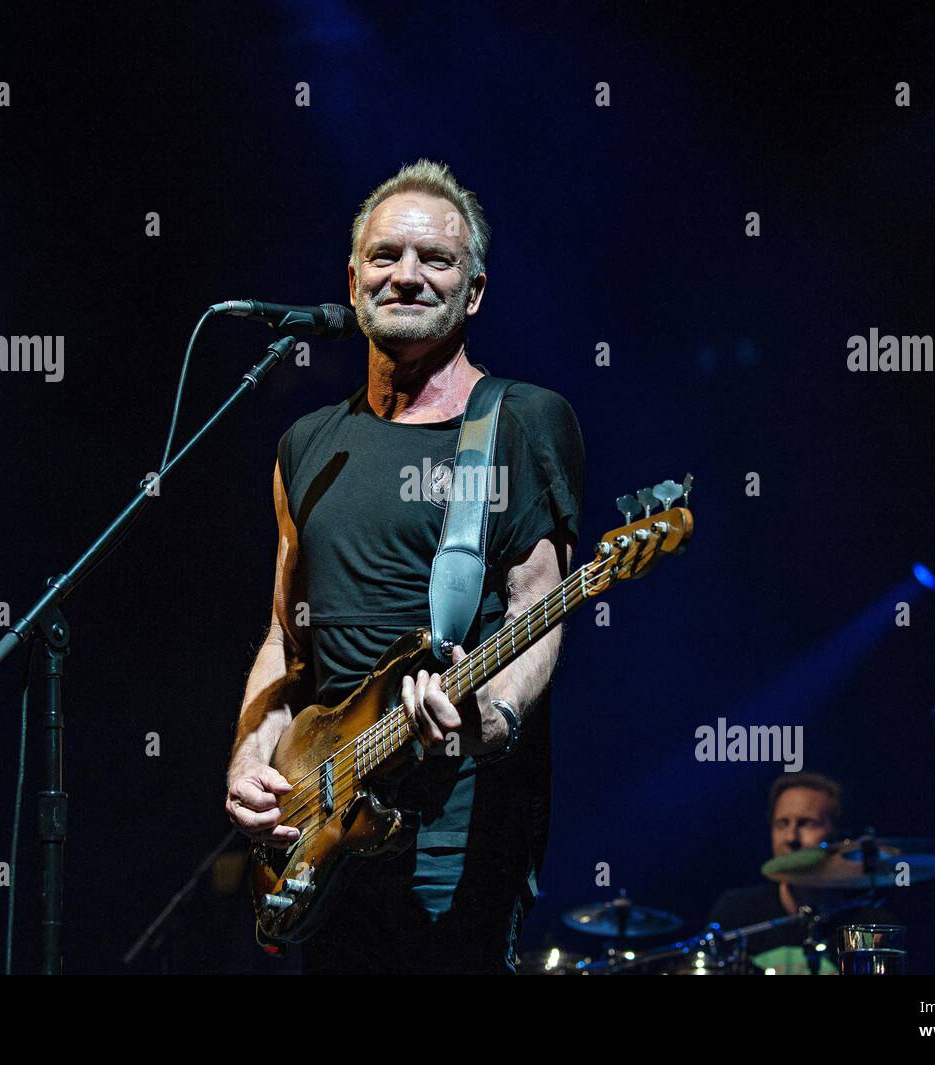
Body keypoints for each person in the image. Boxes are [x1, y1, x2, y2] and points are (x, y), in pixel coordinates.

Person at [224, 159, 585, 974]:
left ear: (476, 291)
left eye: (437, 261)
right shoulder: (306, 442)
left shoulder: (524, 422)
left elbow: (542, 611)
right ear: (352, 282)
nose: (408, 276)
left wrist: (490, 719)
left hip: (457, 828)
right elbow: (285, 638)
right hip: (321, 820)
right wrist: (250, 753)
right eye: (386, 257)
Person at [706, 772, 893, 974]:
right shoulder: (736, 911)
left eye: (807, 823)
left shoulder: (870, 926)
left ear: (840, 835)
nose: (791, 837)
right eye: (782, 824)